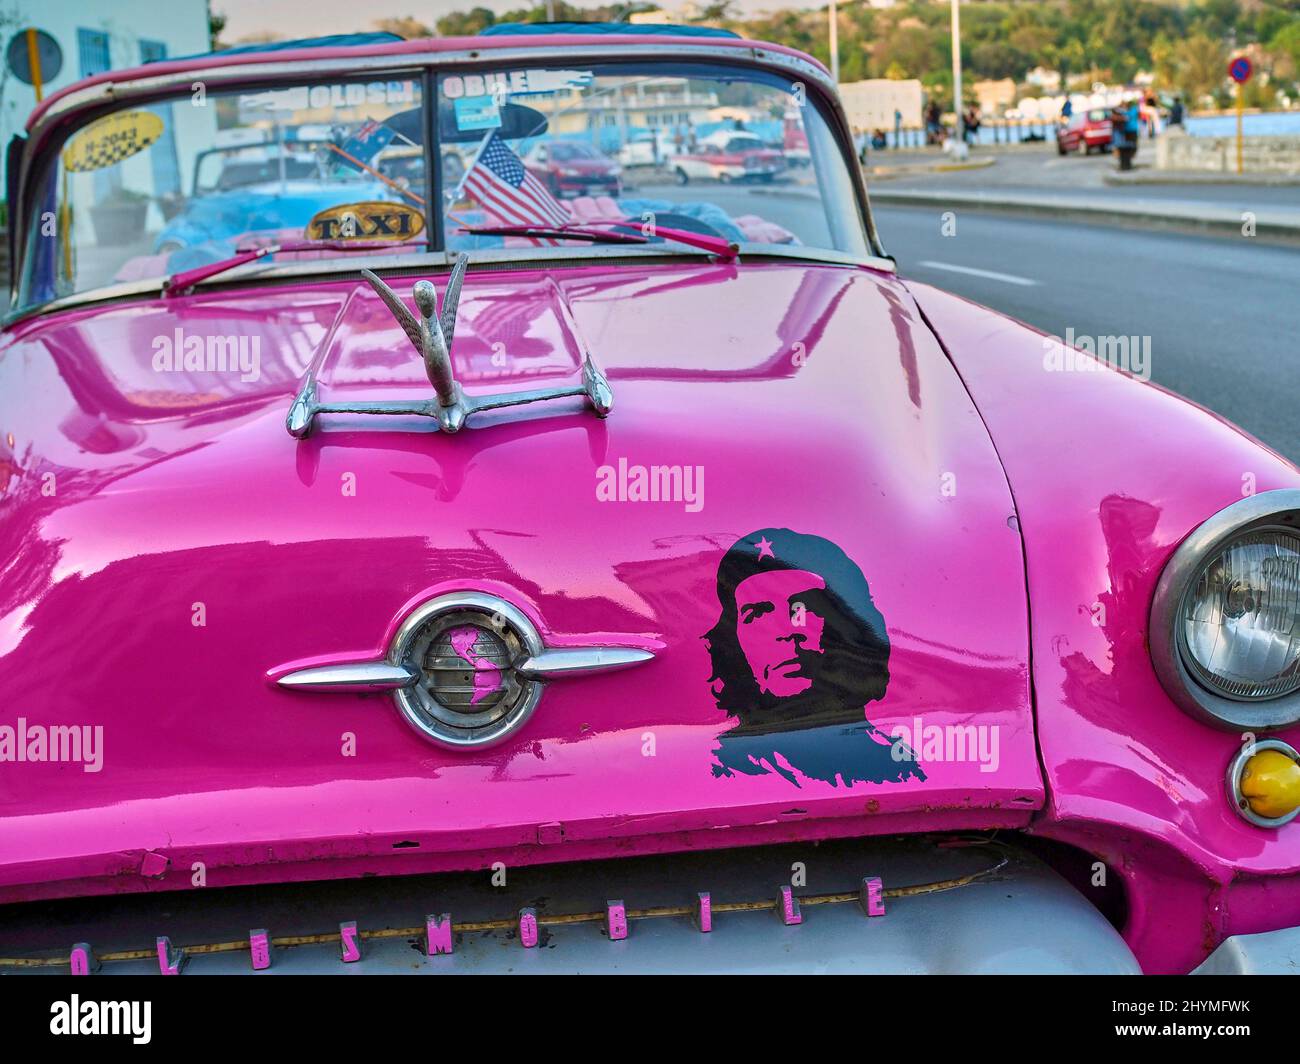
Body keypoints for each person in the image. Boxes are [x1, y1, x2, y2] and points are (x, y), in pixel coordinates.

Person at [703, 528, 924, 787]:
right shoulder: (722, 773)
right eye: (759, 614)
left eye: (806, 607)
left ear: (853, 626)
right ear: (731, 641)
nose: (785, 632)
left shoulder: (900, 772)